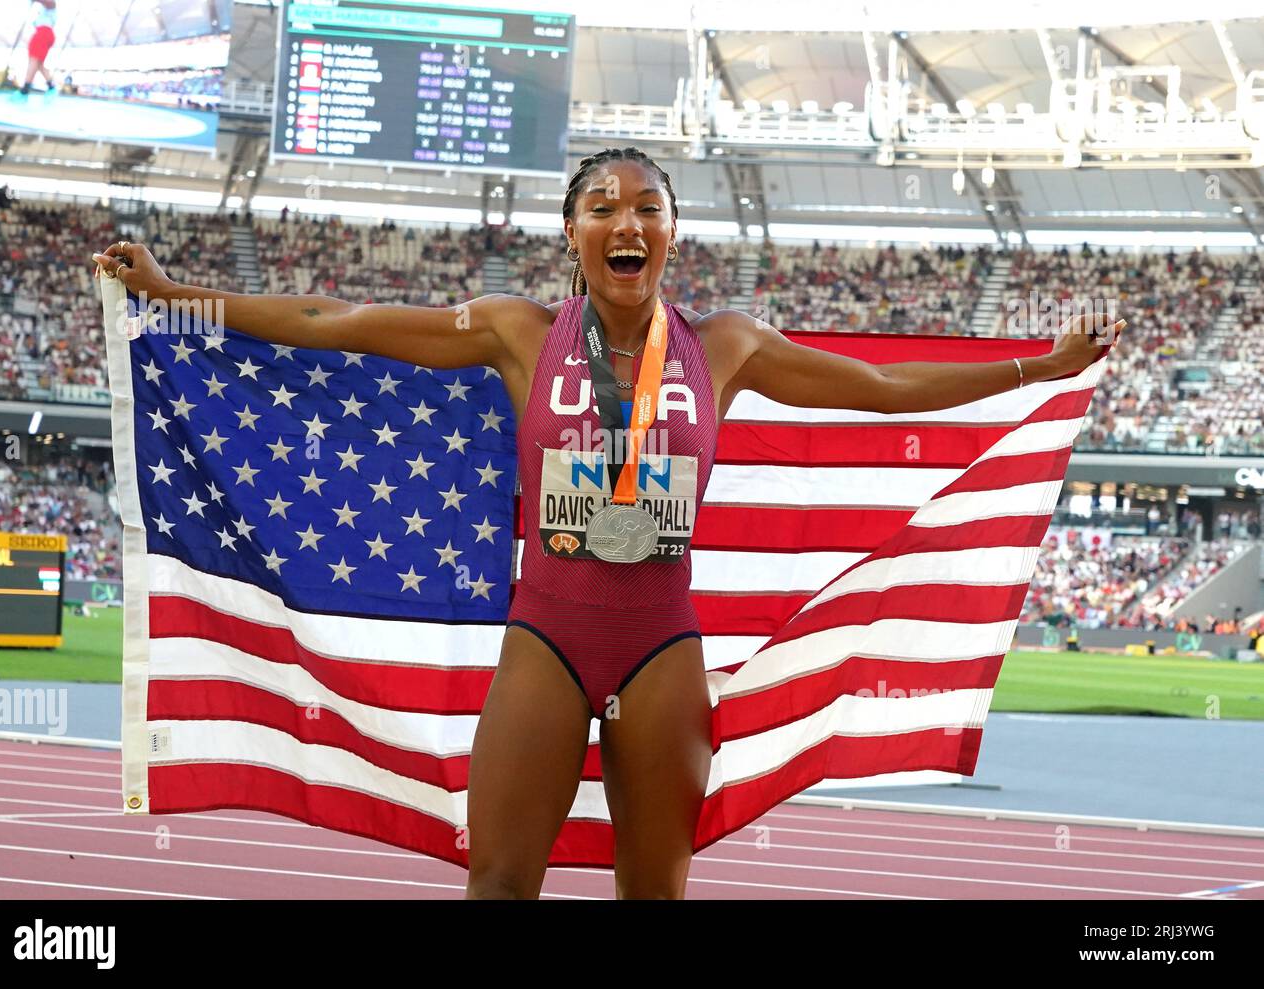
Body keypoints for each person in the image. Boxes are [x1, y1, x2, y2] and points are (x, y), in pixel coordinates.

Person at [92, 145, 1124, 899]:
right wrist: (175, 297)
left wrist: (1044, 365)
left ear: (671, 232)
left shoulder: (727, 346)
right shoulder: (513, 332)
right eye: (600, 206)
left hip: (661, 647)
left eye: (646, 207)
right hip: (546, 636)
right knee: (498, 879)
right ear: (572, 233)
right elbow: (334, 327)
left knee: (653, 895)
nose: (624, 222)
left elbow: (884, 391)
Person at [21, 1, 58, 96]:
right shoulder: (42, 10)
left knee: (34, 60)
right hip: (43, 33)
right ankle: (51, 86)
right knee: (38, 63)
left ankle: (24, 90)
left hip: (44, 33)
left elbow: (50, 3)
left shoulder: (51, 5)